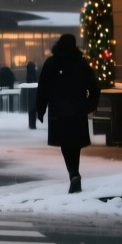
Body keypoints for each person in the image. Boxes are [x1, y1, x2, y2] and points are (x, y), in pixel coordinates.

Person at [36, 33, 101, 193]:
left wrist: (40, 108)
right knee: (75, 145)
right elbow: (94, 87)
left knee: (65, 145)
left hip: (58, 112)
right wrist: (89, 105)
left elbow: (43, 88)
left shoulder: (51, 63)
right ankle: (74, 172)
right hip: (78, 112)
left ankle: (73, 173)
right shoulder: (81, 63)